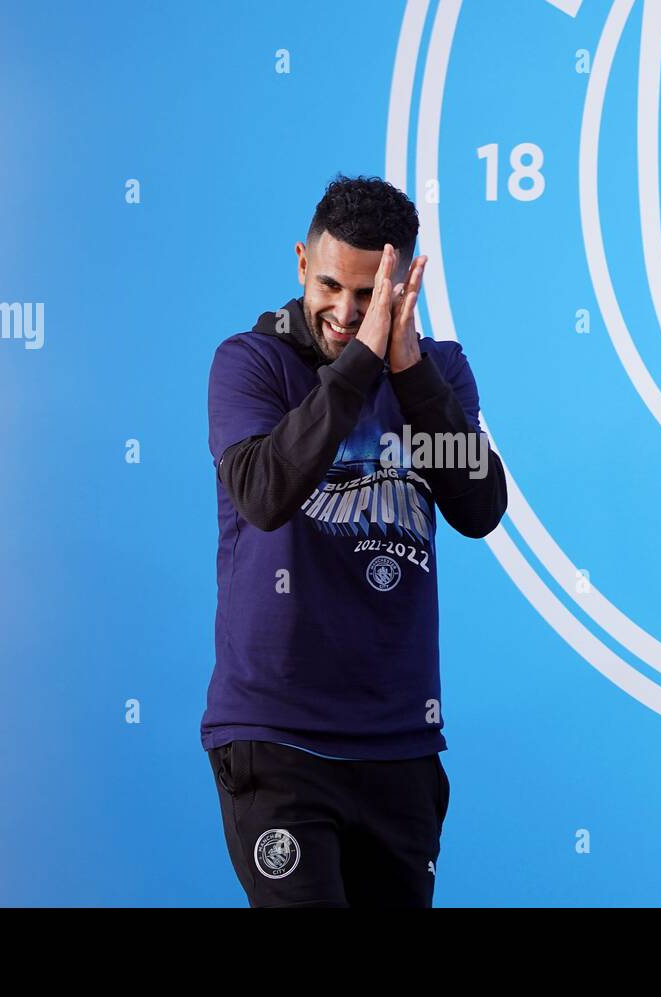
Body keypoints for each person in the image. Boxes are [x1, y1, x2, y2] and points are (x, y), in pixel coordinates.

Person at [201, 174, 508, 907]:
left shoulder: (440, 374)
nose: (345, 311)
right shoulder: (251, 364)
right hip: (277, 738)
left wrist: (406, 370)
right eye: (332, 284)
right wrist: (361, 362)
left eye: (369, 296)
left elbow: (479, 505)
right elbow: (266, 491)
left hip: (400, 742)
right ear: (302, 262)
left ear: (406, 288)